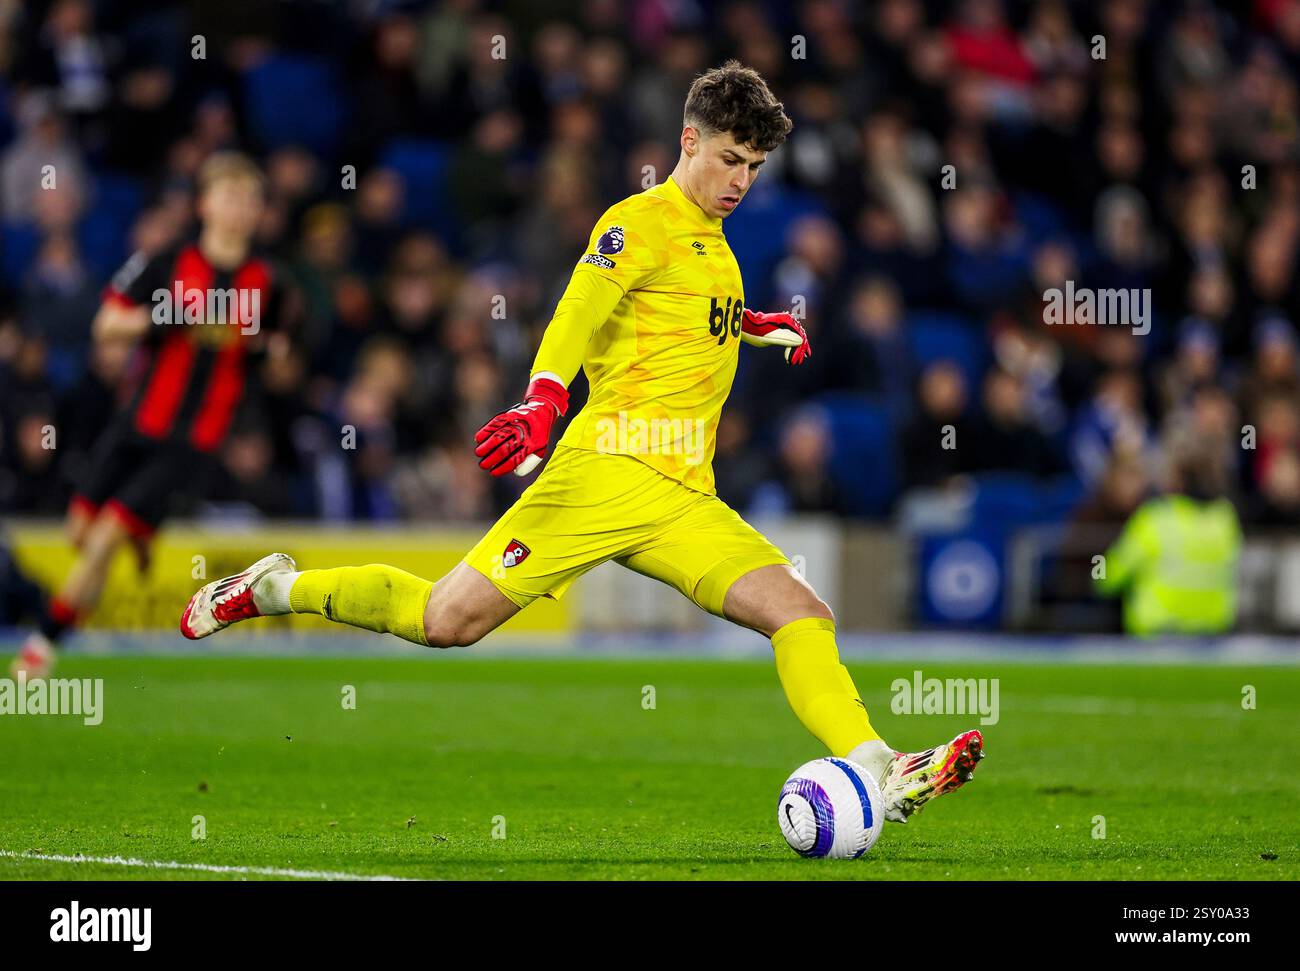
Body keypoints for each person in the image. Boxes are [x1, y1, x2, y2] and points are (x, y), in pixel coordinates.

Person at [179, 63, 983, 823]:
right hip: (602, 474)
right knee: (445, 620)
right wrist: (541, 401)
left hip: (682, 497)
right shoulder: (636, 222)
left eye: (756, 166)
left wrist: (751, 324)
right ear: (688, 142)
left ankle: (880, 765)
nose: (741, 180)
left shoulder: (716, 244)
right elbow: (578, 312)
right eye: (731, 159)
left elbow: (675, 318)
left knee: (802, 612)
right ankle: (277, 588)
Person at [11, 152, 292, 679]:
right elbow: (106, 326)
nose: (238, 210)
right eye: (229, 197)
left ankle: (41, 646)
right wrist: (167, 316)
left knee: (100, 542)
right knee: (79, 533)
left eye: (249, 200)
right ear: (205, 204)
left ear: (258, 213)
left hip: (194, 440)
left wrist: (269, 352)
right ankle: (143, 533)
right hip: (137, 423)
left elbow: (277, 355)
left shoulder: (268, 281)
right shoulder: (166, 263)